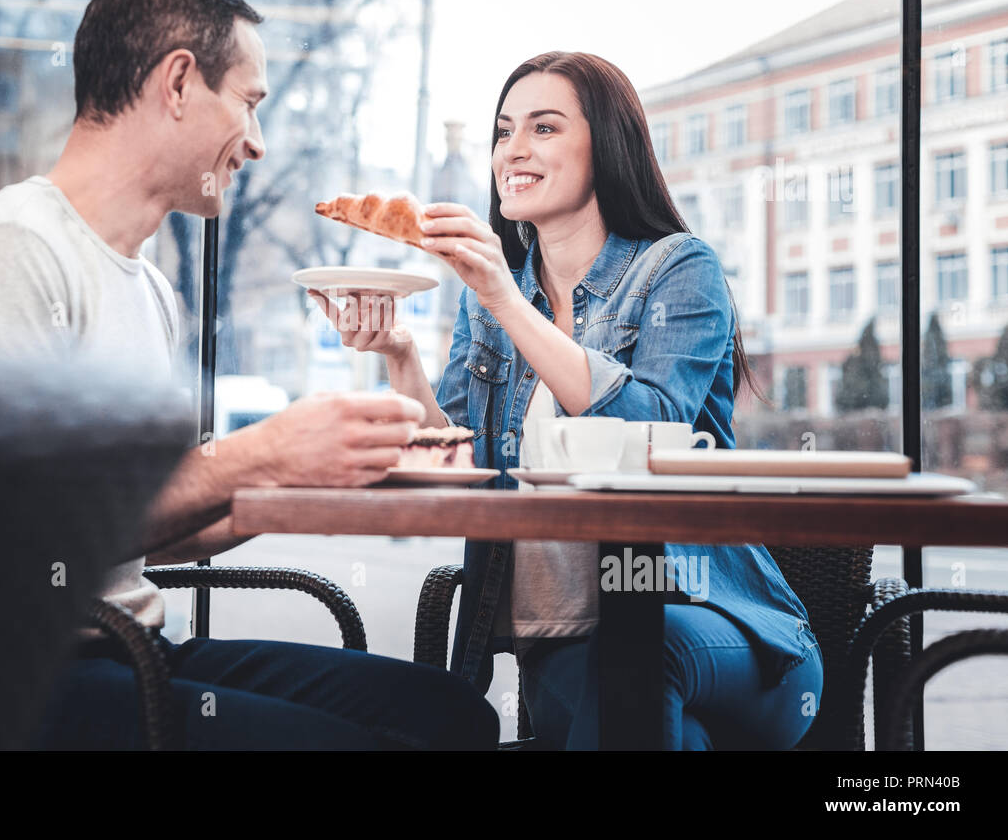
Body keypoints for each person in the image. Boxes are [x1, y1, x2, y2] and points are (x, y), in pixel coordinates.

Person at [0, 0, 498, 750]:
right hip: (21, 680)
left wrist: (308, 468)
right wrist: (260, 451)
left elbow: (157, 529)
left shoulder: (147, 289)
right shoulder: (13, 250)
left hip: (133, 649)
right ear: (178, 83)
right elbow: (8, 534)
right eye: (249, 103)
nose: (257, 142)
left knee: (450, 716)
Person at [311, 51, 822, 750]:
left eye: (543, 129)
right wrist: (400, 356)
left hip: (720, 631)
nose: (513, 151)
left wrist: (501, 296)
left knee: (640, 656)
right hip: (562, 640)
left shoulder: (678, 268)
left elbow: (649, 431)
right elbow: (465, 469)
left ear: (605, 146)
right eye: (502, 131)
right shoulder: (490, 295)